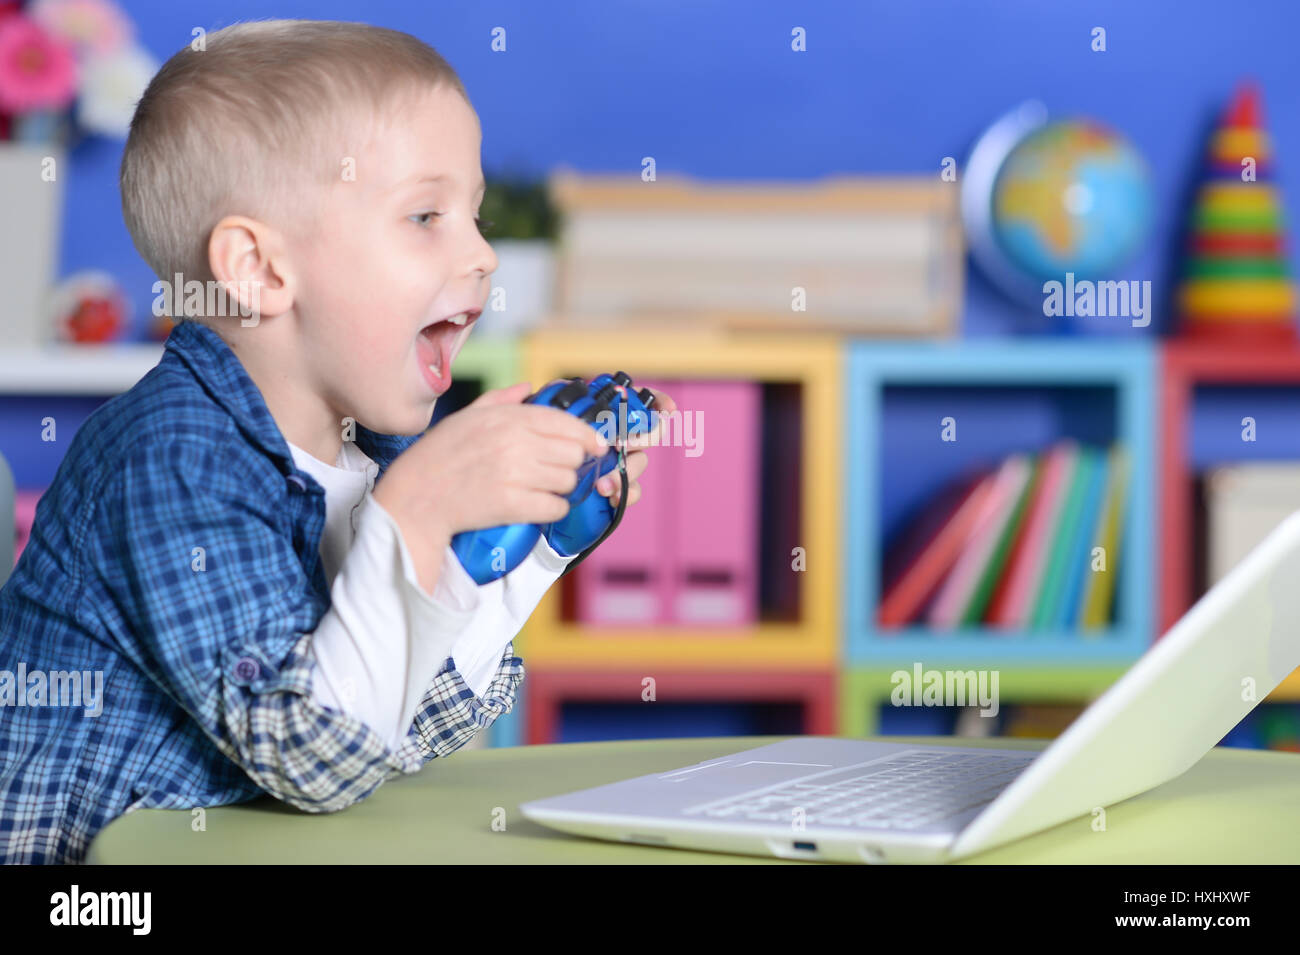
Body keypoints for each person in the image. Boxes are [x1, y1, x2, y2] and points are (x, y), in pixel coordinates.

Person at [0, 19, 674, 864]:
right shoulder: (174, 456)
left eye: (476, 215)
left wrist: (521, 560)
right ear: (260, 271)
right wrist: (417, 517)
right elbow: (310, 755)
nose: (483, 254)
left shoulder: (367, 455)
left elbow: (389, 730)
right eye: (426, 214)